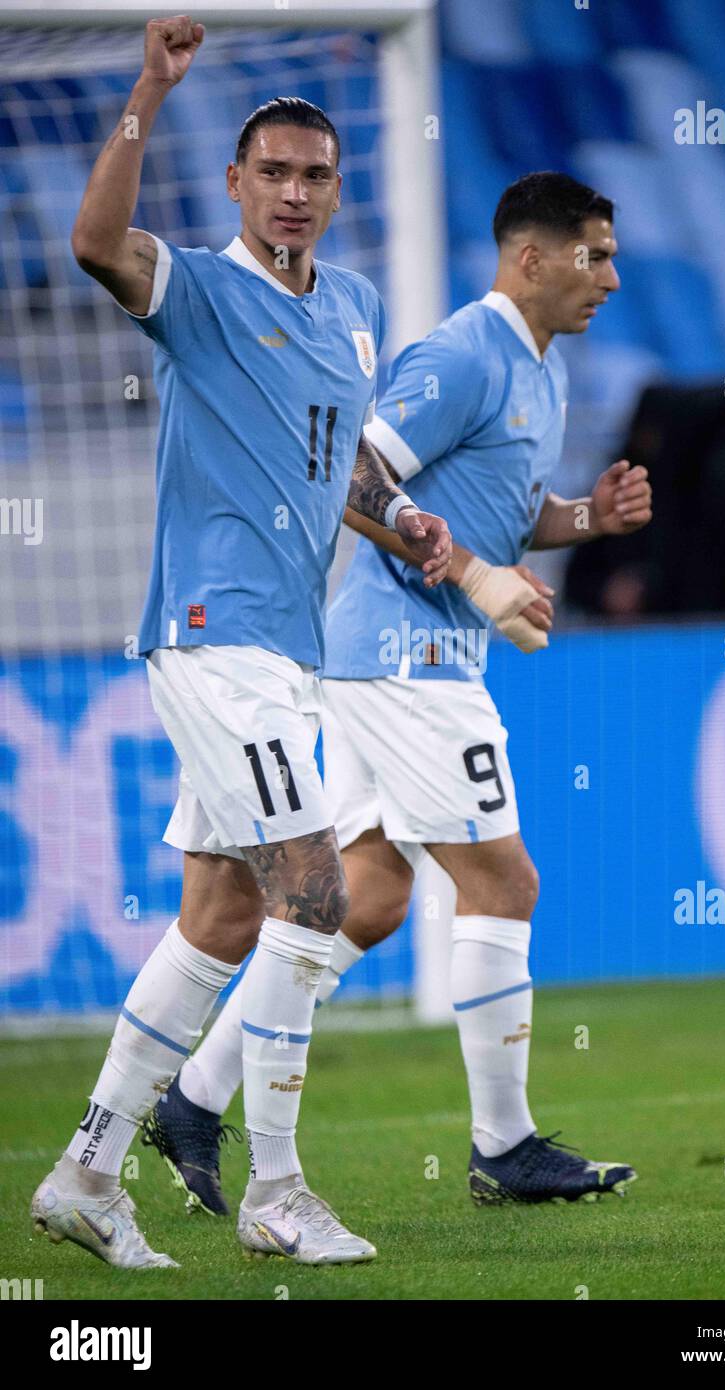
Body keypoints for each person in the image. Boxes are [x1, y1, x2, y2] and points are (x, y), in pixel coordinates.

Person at [143, 171, 652, 1215]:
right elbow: (353, 473)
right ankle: (502, 1145)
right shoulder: (464, 352)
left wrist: (584, 518)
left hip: (415, 656)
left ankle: (194, 1096)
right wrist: (470, 573)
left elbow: (498, 513)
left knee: (366, 899)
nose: (608, 274)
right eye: (592, 253)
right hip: (402, 656)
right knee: (504, 884)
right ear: (529, 257)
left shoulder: (541, 371)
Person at [30, 14, 450, 1270]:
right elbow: (95, 242)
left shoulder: (358, 309)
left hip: (286, 646)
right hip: (209, 636)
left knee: (217, 917)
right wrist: (148, 91)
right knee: (312, 892)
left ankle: (89, 1172)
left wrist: (403, 524)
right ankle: (275, 1188)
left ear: (335, 189)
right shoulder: (202, 292)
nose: (293, 193)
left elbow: (340, 476)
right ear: (236, 183)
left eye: (315, 174)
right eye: (271, 172)